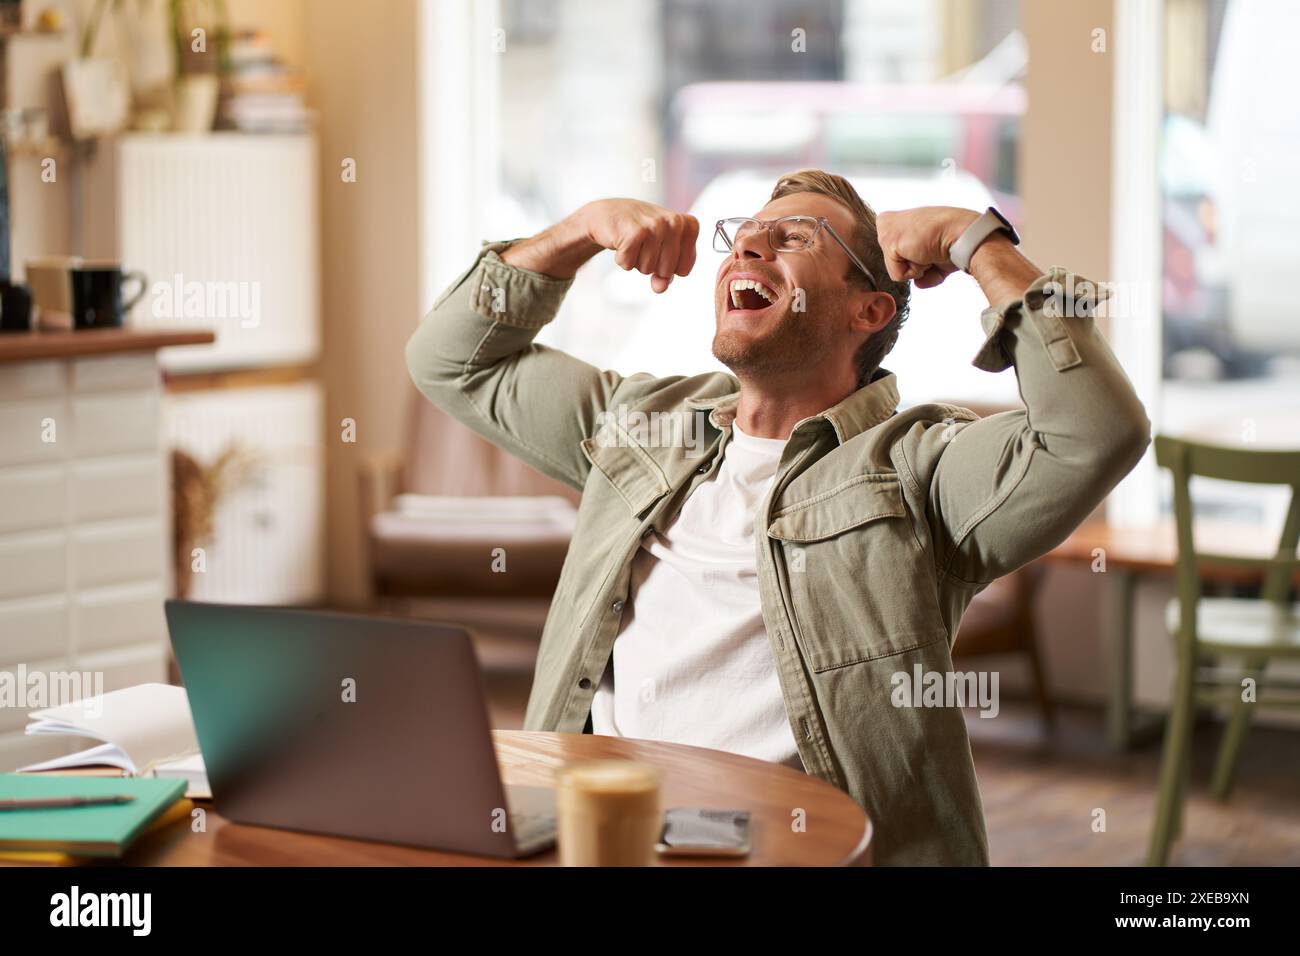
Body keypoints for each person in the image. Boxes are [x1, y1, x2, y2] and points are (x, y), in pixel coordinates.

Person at [405, 169, 1151, 865]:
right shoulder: (645, 422)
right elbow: (450, 359)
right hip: (609, 830)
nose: (749, 247)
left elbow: (1096, 431)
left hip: (799, 848)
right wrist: (576, 232)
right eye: (745, 235)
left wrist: (977, 241)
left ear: (870, 310)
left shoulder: (919, 466)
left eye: (795, 238)